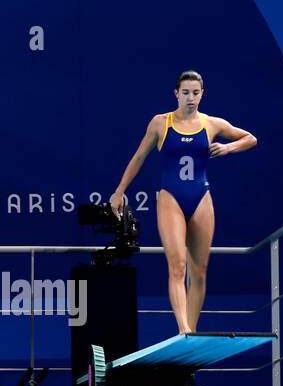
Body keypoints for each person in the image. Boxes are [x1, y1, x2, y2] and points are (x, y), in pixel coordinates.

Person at [110, 70, 257, 334]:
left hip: (201, 196)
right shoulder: (160, 123)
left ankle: (192, 331)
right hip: (171, 198)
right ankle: (183, 329)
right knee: (177, 265)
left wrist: (227, 148)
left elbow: (250, 138)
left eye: (196, 93)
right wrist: (119, 191)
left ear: (202, 94)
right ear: (176, 94)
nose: (191, 98)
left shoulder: (211, 123)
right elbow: (139, 157)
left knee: (199, 271)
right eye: (186, 92)